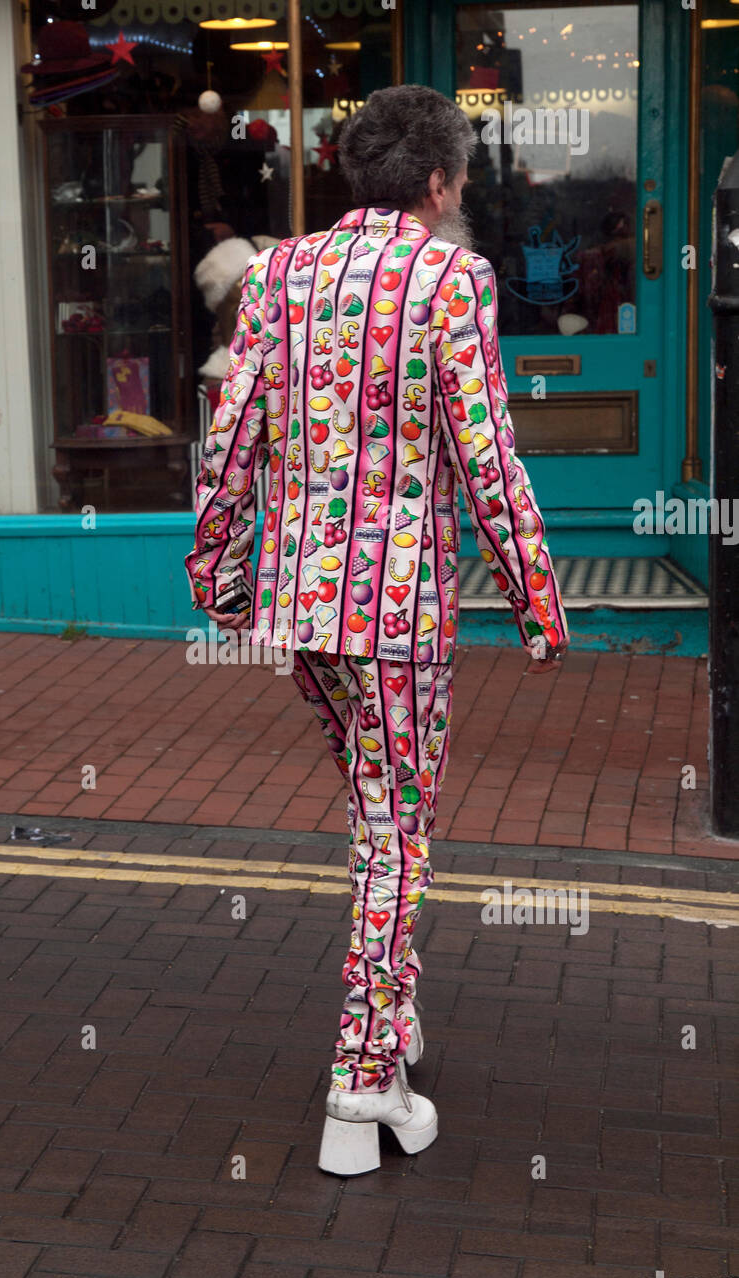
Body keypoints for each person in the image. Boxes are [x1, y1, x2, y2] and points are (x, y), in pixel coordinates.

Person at [183, 85, 569, 1176]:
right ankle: (359, 1085)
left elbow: (231, 439)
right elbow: (486, 452)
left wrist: (215, 576)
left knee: (373, 817)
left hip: (302, 613)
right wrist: (537, 597)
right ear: (441, 183)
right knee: (395, 841)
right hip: (398, 619)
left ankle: (391, 1025)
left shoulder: (280, 274)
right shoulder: (453, 276)